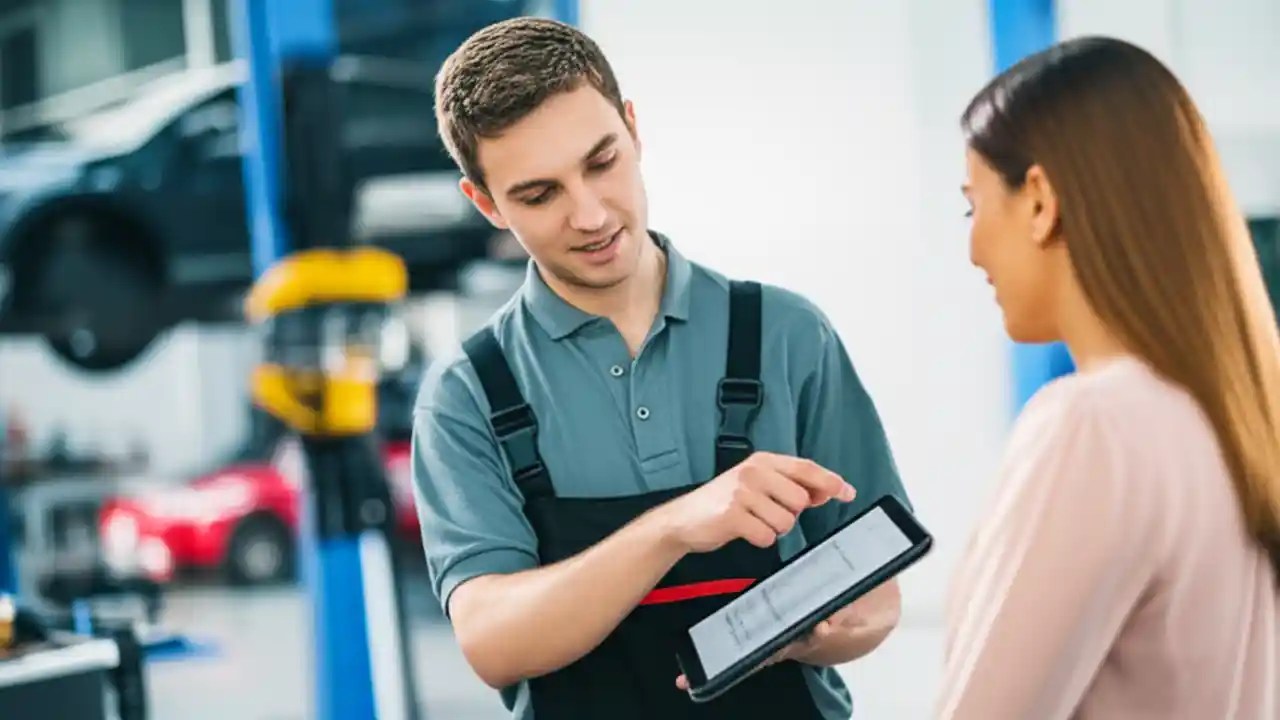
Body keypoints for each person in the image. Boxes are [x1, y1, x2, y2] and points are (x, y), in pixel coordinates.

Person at [412, 16, 913, 720]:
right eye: (539, 194)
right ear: (486, 203)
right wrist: (673, 527)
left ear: (634, 128)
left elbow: (879, 592)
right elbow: (494, 639)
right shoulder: (466, 395)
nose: (589, 214)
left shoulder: (787, 335)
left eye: (601, 161)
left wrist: (816, 629)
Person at [939, 36, 1280, 719]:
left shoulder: (1093, 425)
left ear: (1039, 199)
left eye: (973, 206)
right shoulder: (1236, 414)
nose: (972, 248)